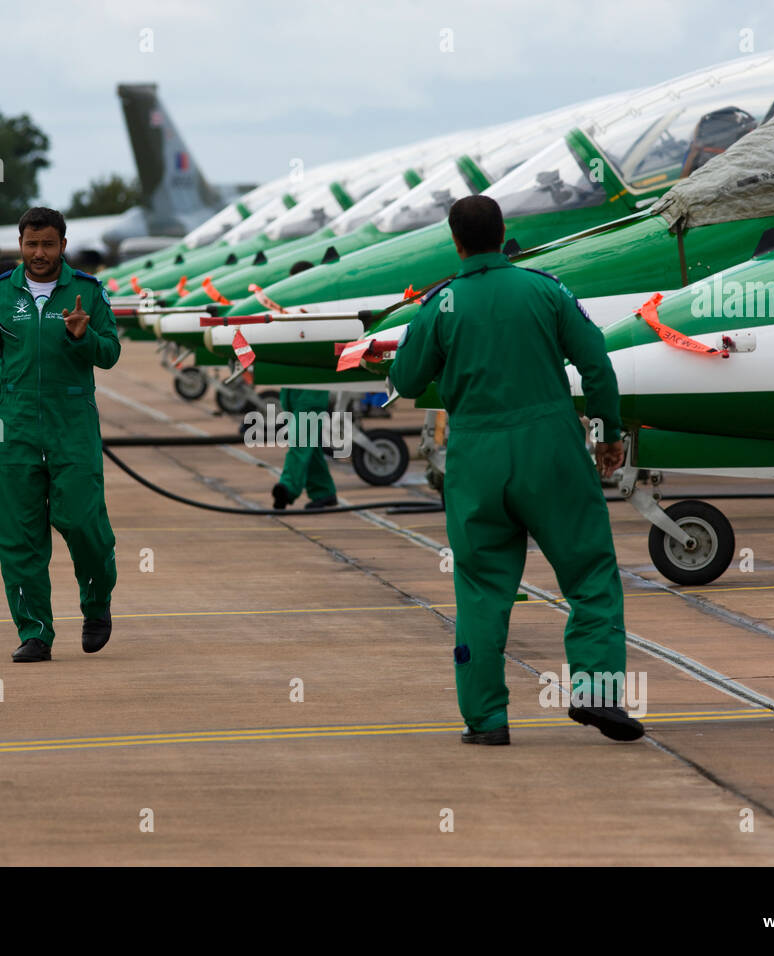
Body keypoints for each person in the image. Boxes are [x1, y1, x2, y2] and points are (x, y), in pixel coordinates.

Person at [388, 195, 643, 745]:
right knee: (590, 574)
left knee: (481, 590)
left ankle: (487, 722)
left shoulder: (439, 304)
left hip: (477, 459)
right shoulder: (546, 290)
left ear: (455, 243)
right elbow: (596, 363)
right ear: (505, 234)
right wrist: (610, 434)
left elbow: (406, 381)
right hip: (550, 451)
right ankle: (597, 694)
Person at [0, 207, 121, 663]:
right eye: (32, 244)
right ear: (21, 245)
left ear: (63, 246)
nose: (39, 253)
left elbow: (109, 354)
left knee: (85, 525)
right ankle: (35, 632)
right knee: (19, 536)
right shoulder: (0, 295)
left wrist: (83, 337)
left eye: (48, 244)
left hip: (72, 427)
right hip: (15, 426)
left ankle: (96, 602)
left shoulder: (87, 291)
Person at [271, 259, 337, 510]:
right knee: (307, 442)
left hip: (313, 383)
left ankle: (288, 488)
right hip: (292, 383)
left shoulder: (321, 311)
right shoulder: (289, 308)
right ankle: (323, 493)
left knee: (300, 439)